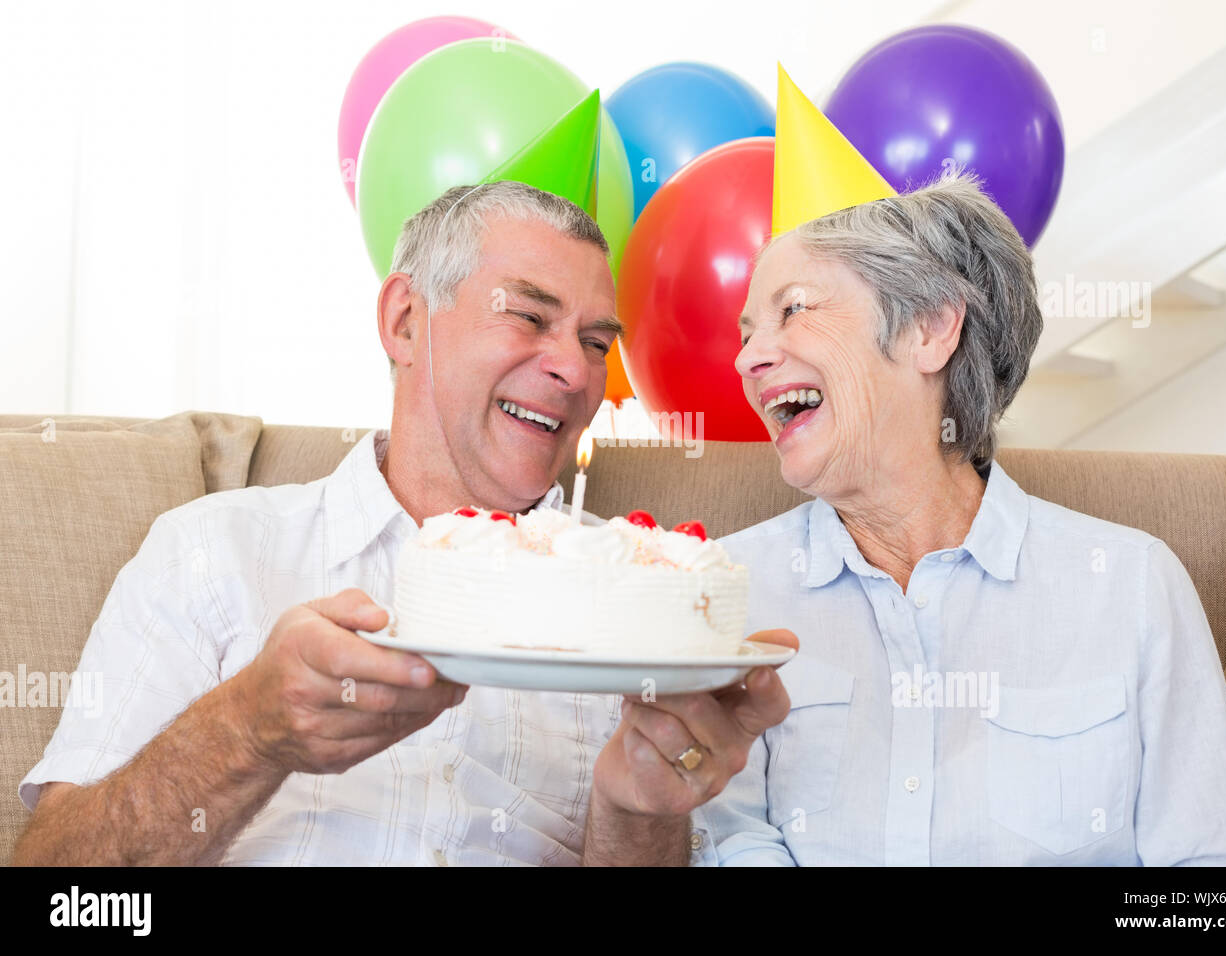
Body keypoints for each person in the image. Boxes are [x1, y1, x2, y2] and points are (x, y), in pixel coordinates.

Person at [13, 180, 795, 866]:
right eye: (528, 316)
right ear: (405, 319)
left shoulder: (637, 613)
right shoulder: (213, 552)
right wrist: (246, 733)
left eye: (596, 343)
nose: (576, 371)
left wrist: (636, 815)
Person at [692, 172, 1226, 866]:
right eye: (748, 331)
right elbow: (724, 840)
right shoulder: (721, 587)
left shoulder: (1132, 587)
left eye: (793, 310)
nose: (747, 357)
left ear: (930, 329)